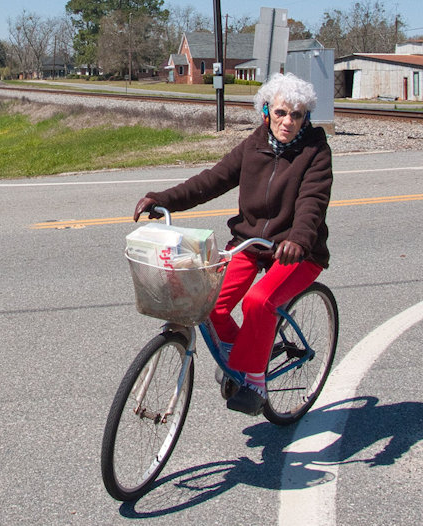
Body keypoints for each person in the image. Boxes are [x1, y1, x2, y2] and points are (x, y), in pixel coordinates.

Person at [133, 72, 332, 416]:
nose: (288, 121)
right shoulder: (254, 145)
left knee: (258, 301)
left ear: (306, 118)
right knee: (207, 302)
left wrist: (299, 239)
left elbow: (312, 202)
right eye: (281, 112)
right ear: (266, 111)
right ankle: (245, 355)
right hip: (250, 245)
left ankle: (254, 379)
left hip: (297, 251)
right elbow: (212, 179)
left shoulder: (315, 151)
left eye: (297, 115)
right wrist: (162, 199)